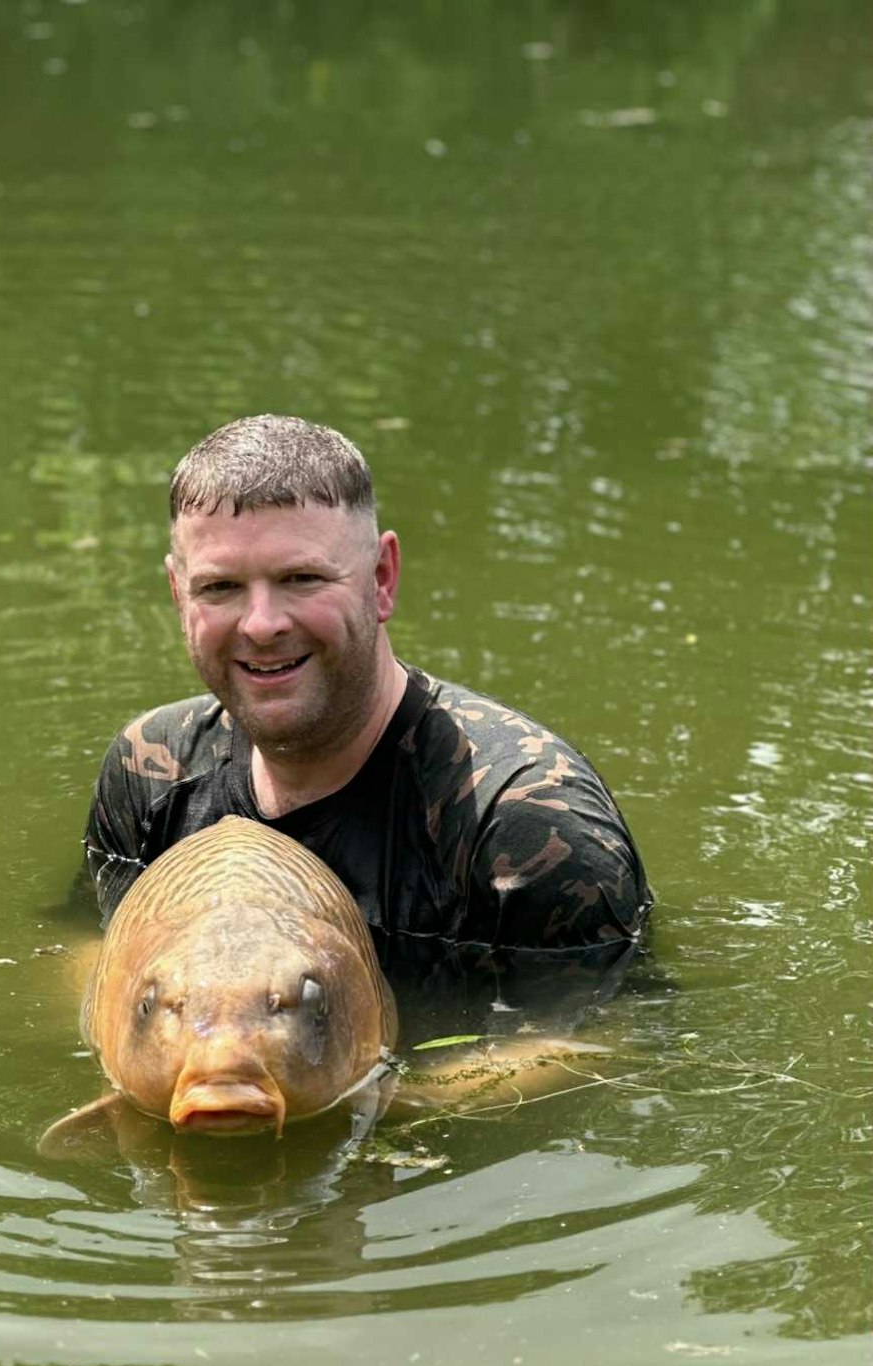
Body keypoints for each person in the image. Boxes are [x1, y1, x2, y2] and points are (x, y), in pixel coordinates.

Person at [82, 414, 651, 1038]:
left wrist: (379, 1094)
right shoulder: (150, 770)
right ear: (178, 595)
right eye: (220, 587)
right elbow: (97, 960)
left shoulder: (522, 817)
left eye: (302, 579)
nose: (261, 623)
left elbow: (601, 1037)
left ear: (382, 579)